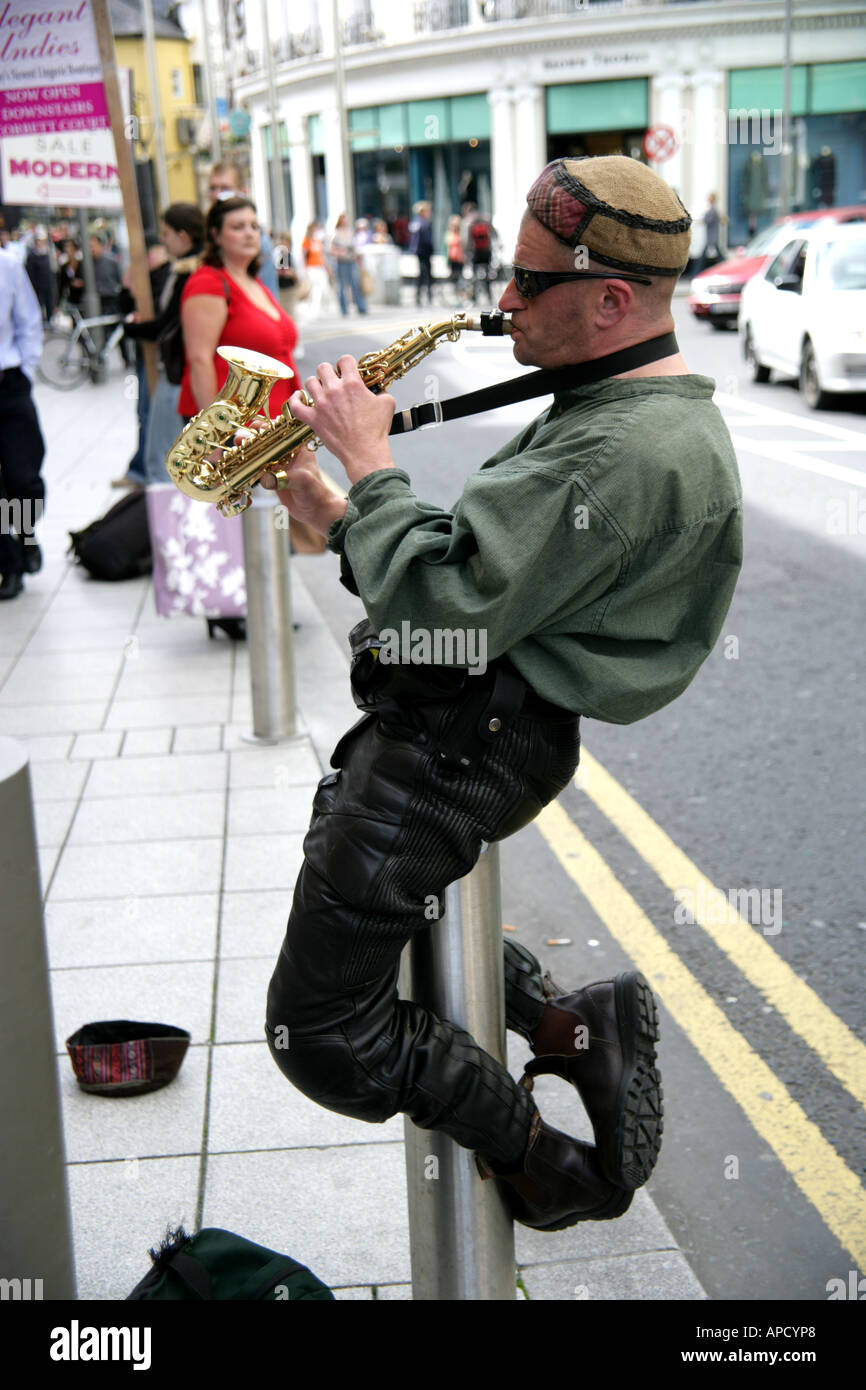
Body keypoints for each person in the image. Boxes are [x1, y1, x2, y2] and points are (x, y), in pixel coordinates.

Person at [260, 156, 744, 1231]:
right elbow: (492, 570)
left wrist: (368, 466)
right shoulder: (625, 411)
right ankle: (572, 1021)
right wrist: (341, 517)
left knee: (325, 1032)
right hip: (470, 729)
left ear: (612, 299)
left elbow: (454, 600)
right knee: (417, 939)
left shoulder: (614, 451)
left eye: (527, 282)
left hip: (460, 746)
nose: (501, 300)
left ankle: (542, 1164)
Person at [122, 203, 206, 485]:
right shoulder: (185, 268)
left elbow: (168, 325)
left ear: (183, 236)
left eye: (167, 233)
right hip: (179, 370)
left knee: (162, 460)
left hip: (178, 372)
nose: (163, 239)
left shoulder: (191, 271)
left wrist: (131, 327)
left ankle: (166, 524)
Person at [0, 250, 45, 600]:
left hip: (9, 384)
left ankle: (26, 532)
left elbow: (28, 321)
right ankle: (8, 565)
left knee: (22, 477)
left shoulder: (7, 264)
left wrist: (25, 372)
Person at [206, 161, 279, 299]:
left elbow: (267, 295)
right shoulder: (208, 230)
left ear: (243, 192)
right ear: (216, 235)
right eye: (213, 188)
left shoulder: (257, 242)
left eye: (225, 188)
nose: (217, 195)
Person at [328, 212, 368, 317]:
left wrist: (358, 259)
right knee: (342, 286)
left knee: (355, 283)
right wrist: (342, 251)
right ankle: (344, 309)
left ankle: (361, 307)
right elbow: (331, 250)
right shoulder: (336, 234)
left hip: (352, 261)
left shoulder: (350, 232)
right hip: (341, 262)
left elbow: (354, 248)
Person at [301, 220, 332, 315]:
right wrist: (304, 269)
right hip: (311, 268)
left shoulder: (318, 241)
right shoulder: (306, 241)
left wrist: (327, 268)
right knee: (315, 288)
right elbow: (303, 255)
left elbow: (321, 256)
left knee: (325, 288)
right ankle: (315, 308)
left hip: (320, 267)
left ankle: (324, 306)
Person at [25, 228, 56, 323]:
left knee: (49, 304)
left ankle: (49, 320)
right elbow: (30, 273)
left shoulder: (49, 254)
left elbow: (54, 270)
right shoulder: (32, 256)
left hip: (48, 285)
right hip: (37, 286)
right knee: (39, 305)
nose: (39, 243)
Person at [408, 200, 435, 308]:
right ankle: (424, 297)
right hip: (423, 252)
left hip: (423, 252)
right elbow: (421, 240)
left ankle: (424, 297)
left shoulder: (419, 223)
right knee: (425, 275)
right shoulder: (420, 223)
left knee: (424, 275)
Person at [700, 193, 727, 272]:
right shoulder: (713, 209)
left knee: (705, 256)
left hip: (712, 237)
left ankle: (696, 272)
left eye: (709, 198)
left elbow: (707, 221)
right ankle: (724, 266)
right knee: (718, 255)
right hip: (712, 237)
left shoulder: (712, 210)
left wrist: (705, 214)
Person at [445, 212, 466, 302]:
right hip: (452, 259)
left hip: (460, 259)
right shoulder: (448, 234)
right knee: (454, 279)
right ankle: (456, 297)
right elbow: (446, 248)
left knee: (460, 279)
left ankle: (460, 296)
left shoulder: (462, 234)